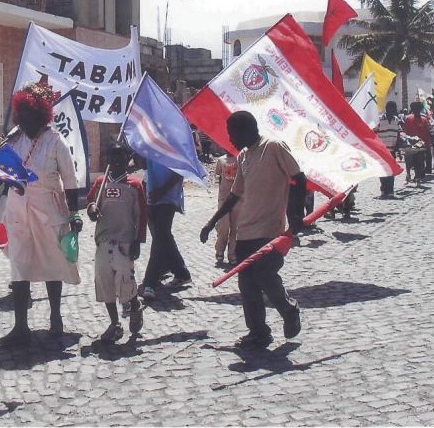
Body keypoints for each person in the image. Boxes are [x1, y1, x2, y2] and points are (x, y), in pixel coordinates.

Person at [199, 111, 306, 350]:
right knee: (247, 285)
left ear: (246, 129)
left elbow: (298, 178)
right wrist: (211, 222)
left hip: (270, 230)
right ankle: (258, 333)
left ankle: (288, 310)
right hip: (245, 232)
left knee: (266, 276)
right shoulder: (243, 157)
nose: (230, 139)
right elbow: (235, 195)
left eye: (232, 133)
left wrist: (295, 215)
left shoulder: (274, 147)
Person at [0, 82, 82, 347]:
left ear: (41, 116)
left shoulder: (56, 141)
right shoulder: (14, 141)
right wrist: (0, 154)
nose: (24, 122)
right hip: (18, 210)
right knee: (19, 266)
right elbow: (4, 174)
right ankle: (20, 326)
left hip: (49, 211)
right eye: (21, 117)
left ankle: (55, 317)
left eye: (29, 117)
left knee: (52, 264)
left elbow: (70, 181)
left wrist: (74, 214)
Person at [86, 144, 147, 343]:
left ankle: (134, 305)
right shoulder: (101, 183)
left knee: (126, 281)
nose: (117, 160)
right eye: (113, 156)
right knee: (105, 282)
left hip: (125, 242)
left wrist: (138, 241)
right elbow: (90, 204)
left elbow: (141, 216)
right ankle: (115, 323)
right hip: (103, 240)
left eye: (121, 156)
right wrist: (92, 209)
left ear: (127, 158)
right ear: (108, 159)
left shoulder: (135, 185)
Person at [138, 158, 192, 301]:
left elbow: (179, 172)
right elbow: (143, 165)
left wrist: (160, 191)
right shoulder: (150, 142)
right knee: (162, 236)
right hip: (150, 192)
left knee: (160, 236)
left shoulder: (172, 143)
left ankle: (149, 282)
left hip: (168, 197)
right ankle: (182, 272)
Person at [214, 153, 240, 264]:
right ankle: (219, 250)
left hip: (238, 198)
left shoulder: (241, 159)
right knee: (223, 225)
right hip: (224, 198)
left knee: (235, 227)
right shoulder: (221, 160)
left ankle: (232, 253)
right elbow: (219, 177)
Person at [374, 101, 403, 198]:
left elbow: (399, 134)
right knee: (382, 171)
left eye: (394, 109)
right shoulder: (379, 120)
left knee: (391, 171)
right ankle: (383, 190)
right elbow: (374, 133)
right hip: (382, 150)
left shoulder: (396, 120)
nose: (393, 111)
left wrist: (398, 148)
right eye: (391, 109)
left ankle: (390, 191)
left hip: (392, 150)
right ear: (387, 110)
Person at [402, 101, 432, 181]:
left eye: (417, 109)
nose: (416, 110)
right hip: (410, 144)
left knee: (419, 161)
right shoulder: (408, 118)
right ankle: (408, 174)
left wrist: (427, 144)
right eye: (414, 109)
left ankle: (418, 176)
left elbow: (426, 133)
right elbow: (406, 131)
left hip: (421, 145)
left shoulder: (424, 120)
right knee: (409, 161)